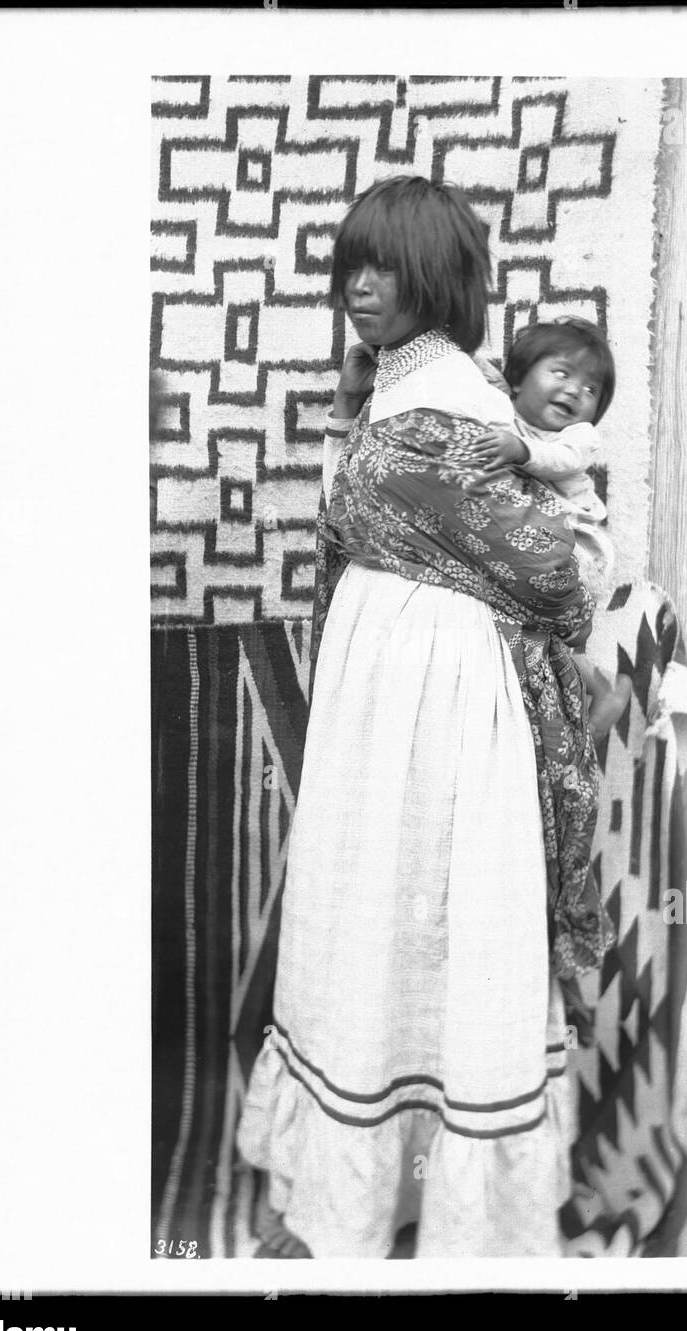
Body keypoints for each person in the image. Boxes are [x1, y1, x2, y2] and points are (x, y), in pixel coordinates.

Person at [236, 176, 613, 1259]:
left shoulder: (451, 408)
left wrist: (572, 503)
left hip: (443, 705)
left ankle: (416, 1202)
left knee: (429, 913)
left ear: (441, 280)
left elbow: (561, 585)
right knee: (377, 913)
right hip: (383, 695)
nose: (361, 284)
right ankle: (364, 1188)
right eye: (352, 260)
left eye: (388, 266)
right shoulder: (397, 391)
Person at [472, 318, 632, 736]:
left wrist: (520, 450)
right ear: (519, 381)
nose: (576, 390)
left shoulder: (578, 437)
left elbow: (557, 462)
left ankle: (590, 704)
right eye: (561, 372)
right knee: (550, 643)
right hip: (549, 544)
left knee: (549, 634)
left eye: (591, 388)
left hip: (581, 547)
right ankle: (601, 696)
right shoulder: (505, 409)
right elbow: (483, 377)